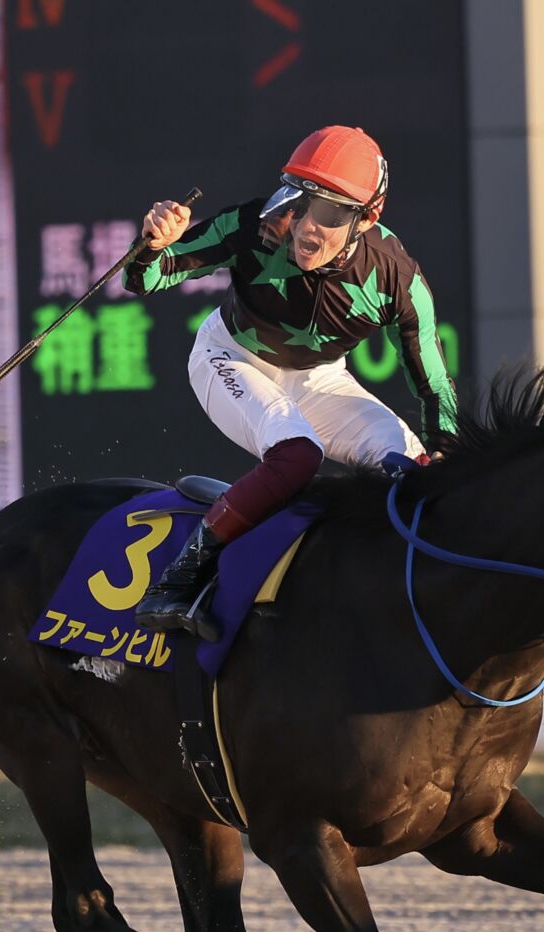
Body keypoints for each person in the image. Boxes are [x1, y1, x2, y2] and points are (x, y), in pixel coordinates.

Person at [121, 124, 459, 641]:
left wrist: (449, 457)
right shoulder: (254, 224)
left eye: (328, 215)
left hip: (319, 379)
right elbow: (143, 278)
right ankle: (180, 577)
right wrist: (152, 244)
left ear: (367, 219)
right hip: (229, 358)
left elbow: (433, 386)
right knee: (298, 454)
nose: (304, 226)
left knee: (415, 468)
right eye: (299, 201)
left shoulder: (397, 277)